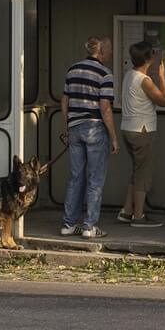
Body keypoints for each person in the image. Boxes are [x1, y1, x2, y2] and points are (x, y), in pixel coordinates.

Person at [60, 36, 118, 238]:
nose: (110, 53)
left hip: (74, 128)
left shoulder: (72, 70)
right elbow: (105, 108)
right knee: (95, 179)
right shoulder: (105, 73)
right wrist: (113, 136)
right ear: (100, 52)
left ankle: (68, 224)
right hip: (95, 128)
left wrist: (67, 127)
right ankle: (89, 226)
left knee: (75, 177)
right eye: (109, 50)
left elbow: (64, 101)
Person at [119, 41, 165, 228]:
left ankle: (127, 210)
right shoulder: (144, 81)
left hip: (127, 128)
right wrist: (162, 77)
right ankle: (139, 216)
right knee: (143, 174)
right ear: (149, 59)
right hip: (142, 130)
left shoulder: (129, 75)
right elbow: (164, 101)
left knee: (136, 170)